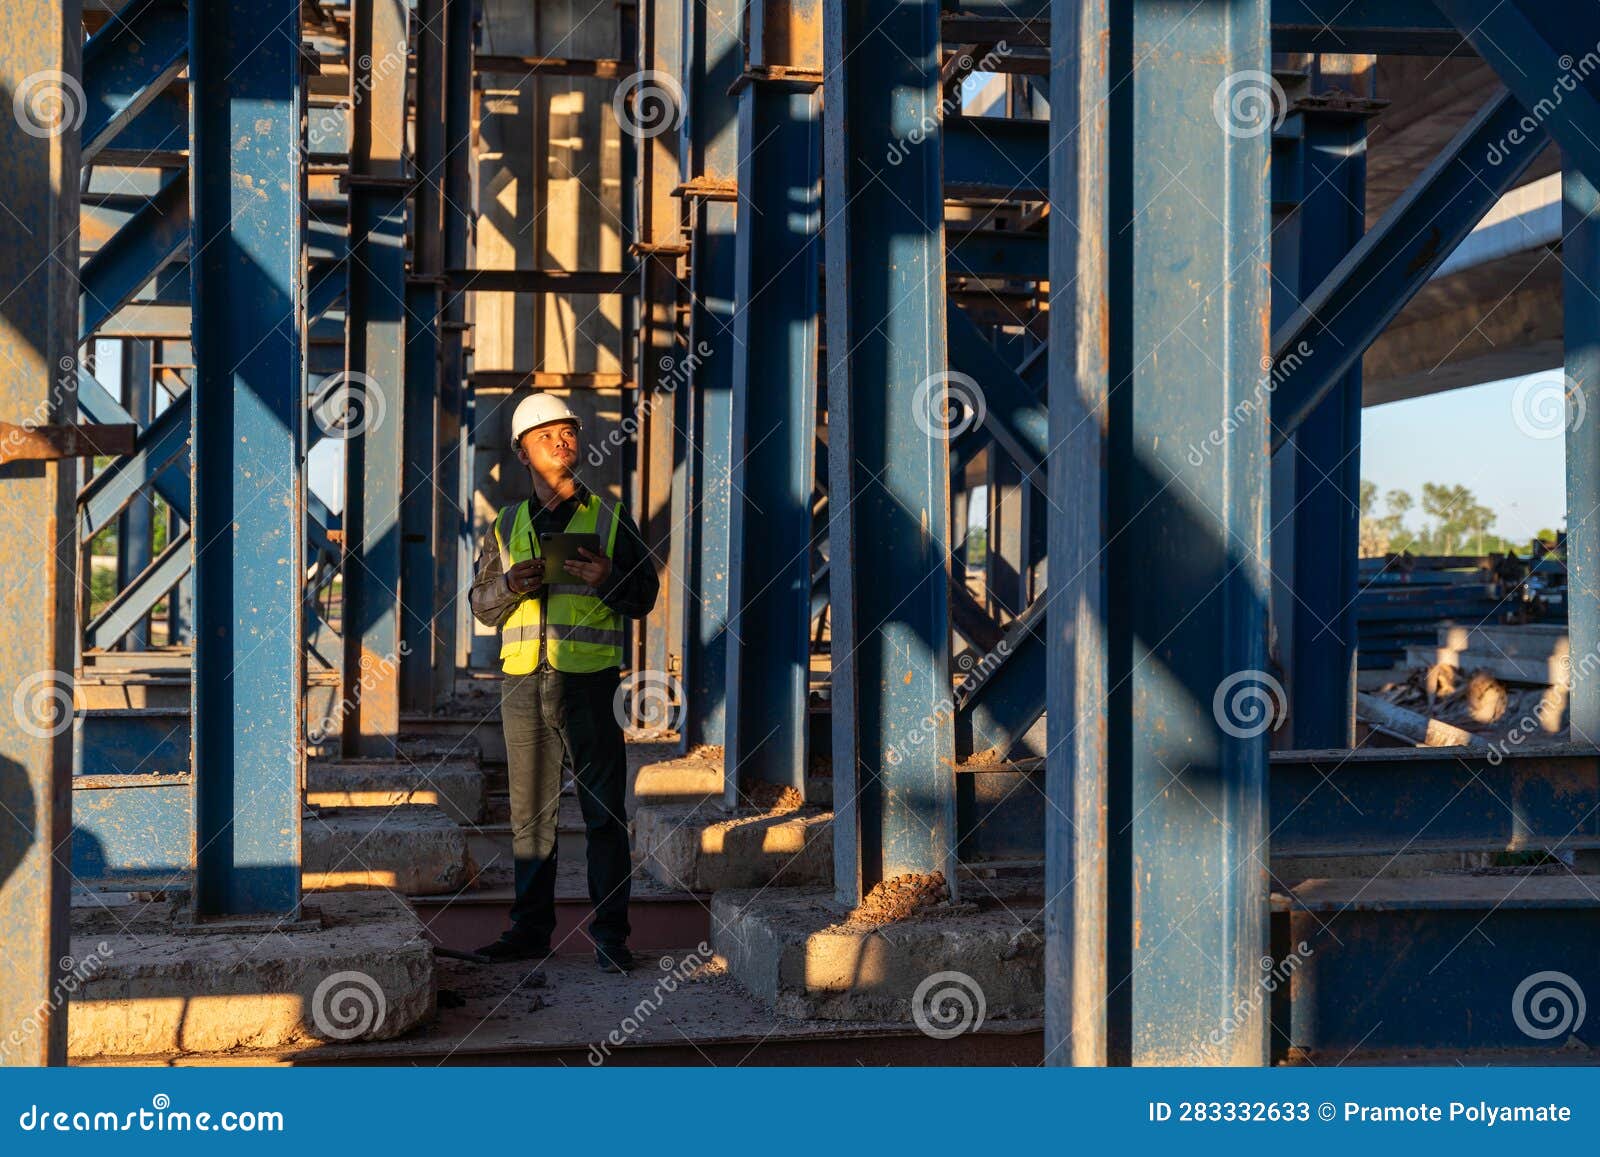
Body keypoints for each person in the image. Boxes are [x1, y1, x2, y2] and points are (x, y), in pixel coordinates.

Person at [468, 394, 660, 972]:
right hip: (522, 686)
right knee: (530, 818)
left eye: (568, 433)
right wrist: (510, 585)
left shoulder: (610, 518)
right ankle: (529, 933)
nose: (561, 442)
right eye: (546, 435)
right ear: (523, 452)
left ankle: (611, 938)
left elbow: (643, 596)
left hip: (588, 684)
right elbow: (480, 607)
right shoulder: (505, 526)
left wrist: (609, 576)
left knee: (603, 814)